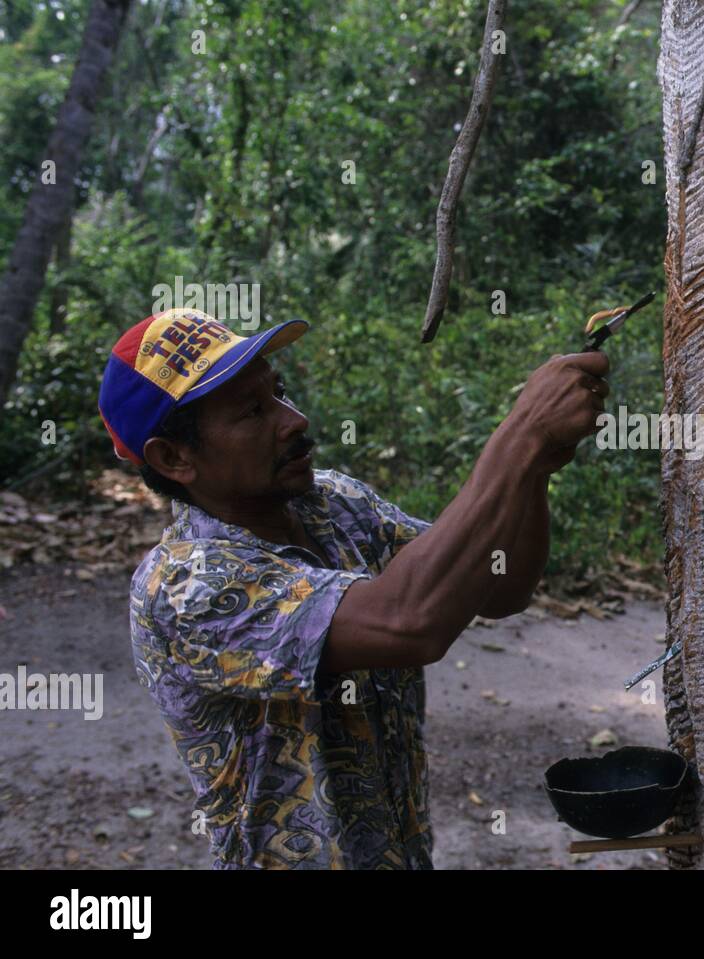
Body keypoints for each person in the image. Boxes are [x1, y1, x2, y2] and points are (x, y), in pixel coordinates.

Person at [96, 307, 610, 868]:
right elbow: (409, 622)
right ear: (175, 458)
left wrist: (533, 468)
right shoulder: (184, 584)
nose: (293, 420)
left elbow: (501, 583)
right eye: (251, 412)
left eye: (279, 393)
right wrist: (521, 435)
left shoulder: (335, 504)